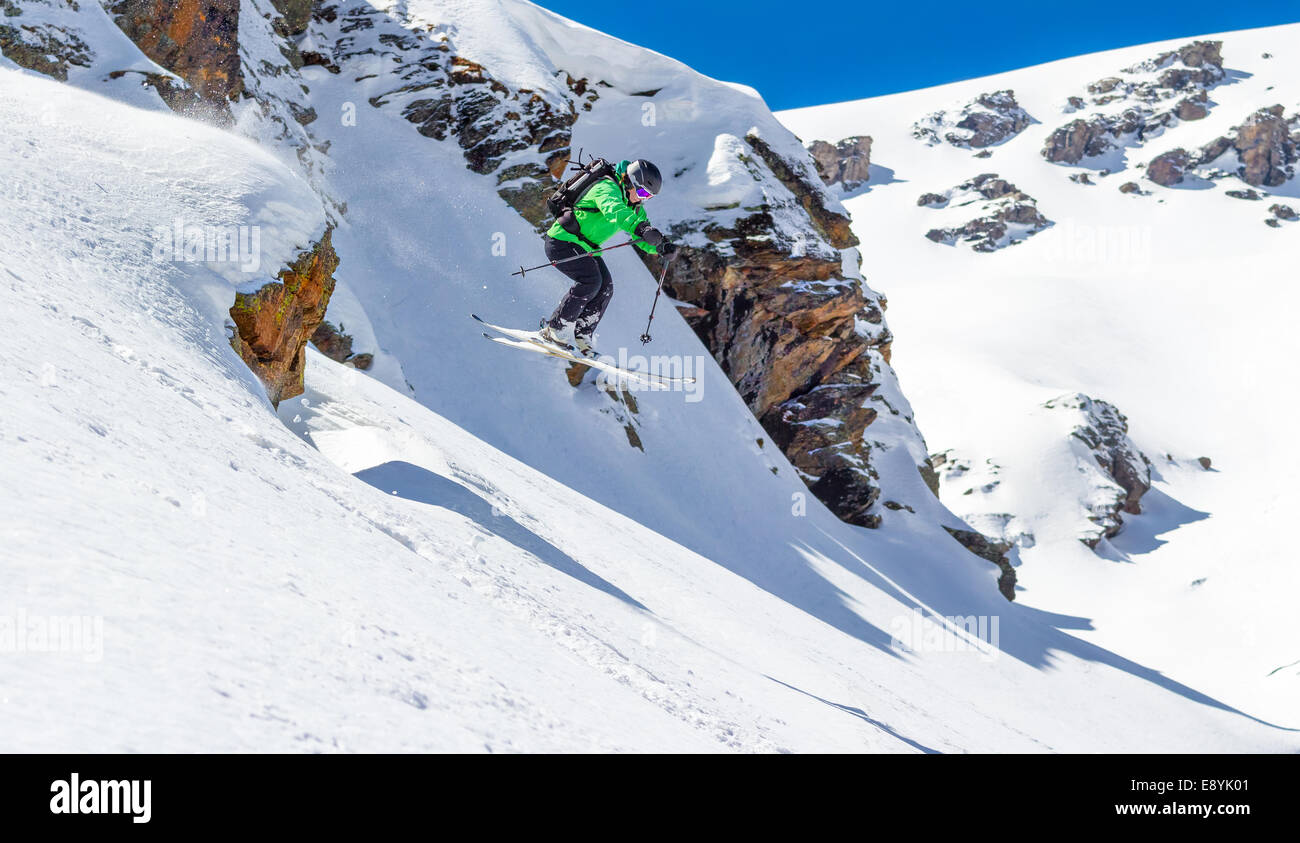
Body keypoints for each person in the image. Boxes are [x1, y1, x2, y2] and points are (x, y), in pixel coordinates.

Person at [539, 158, 676, 356]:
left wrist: (661, 246)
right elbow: (615, 212)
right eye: (643, 193)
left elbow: (643, 237)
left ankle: (583, 336)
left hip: (586, 248)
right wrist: (641, 228)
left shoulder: (635, 208)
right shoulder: (606, 187)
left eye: (649, 197)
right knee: (591, 281)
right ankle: (555, 330)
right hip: (562, 242)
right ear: (630, 181)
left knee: (606, 287)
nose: (643, 199)